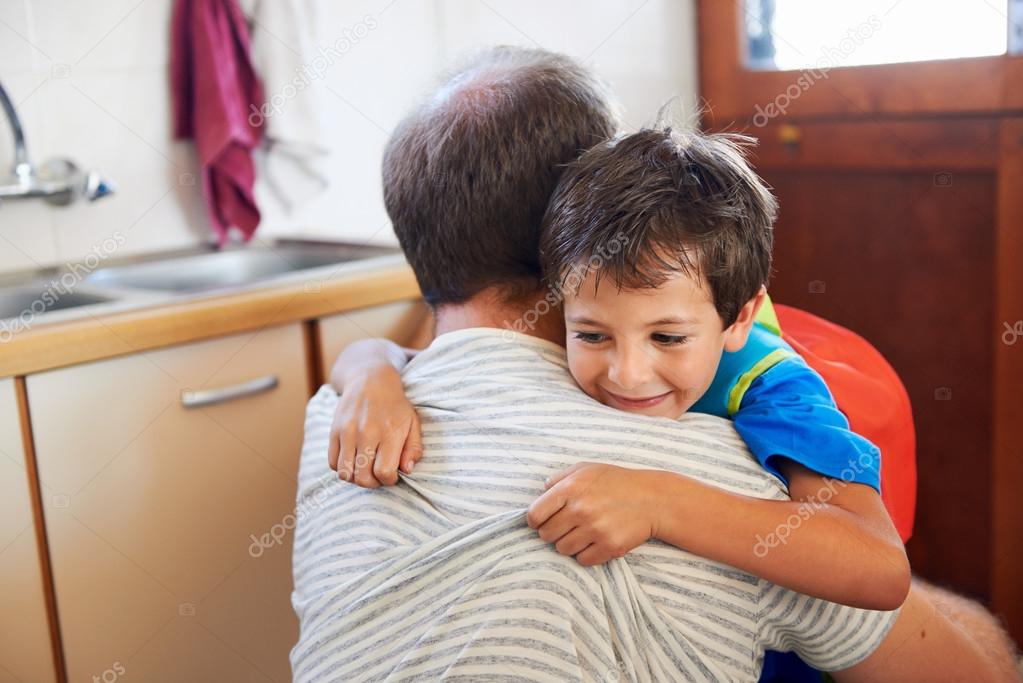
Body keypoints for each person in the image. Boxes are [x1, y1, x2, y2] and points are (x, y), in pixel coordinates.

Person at [292, 45, 1020, 681]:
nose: (631, 374)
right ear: (571, 234)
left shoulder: (336, 432)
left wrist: (369, 368)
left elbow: (871, 563)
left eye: (666, 337)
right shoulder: (720, 469)